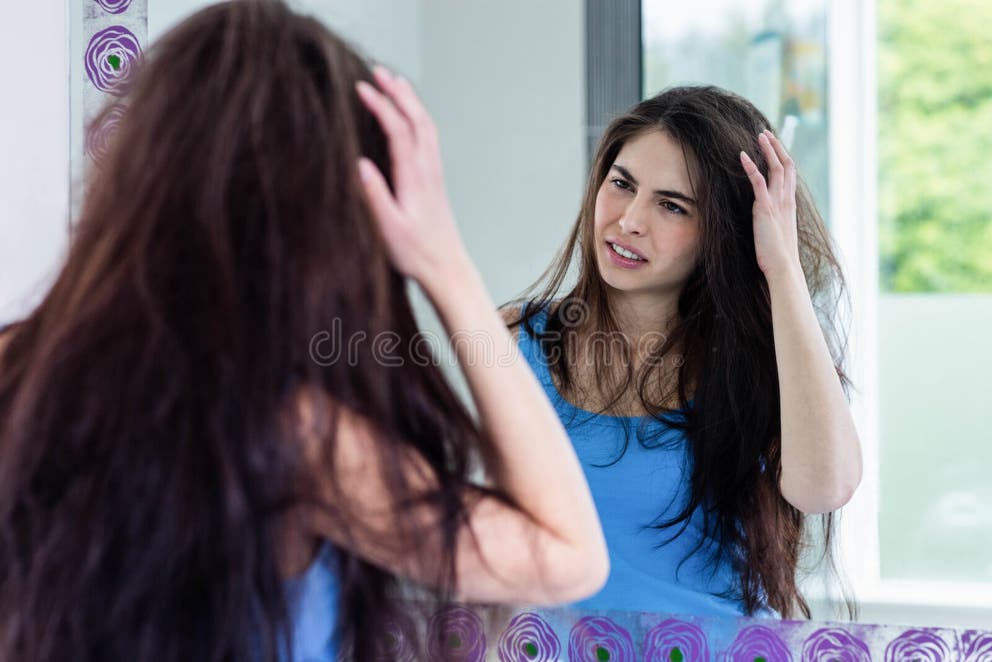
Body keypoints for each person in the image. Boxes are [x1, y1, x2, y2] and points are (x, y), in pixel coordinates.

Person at [0, 2, 608, 661]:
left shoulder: (15, 369)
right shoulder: (292, 438)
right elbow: (568, 557)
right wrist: (444, 262)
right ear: (331, 222)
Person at [502, 86, 863, 618]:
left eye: (672, 206)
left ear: (723, 231)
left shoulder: (756, 361)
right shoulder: (515, 339)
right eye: (622, 184)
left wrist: (781, 266)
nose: (630, 220)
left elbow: (825, 488)